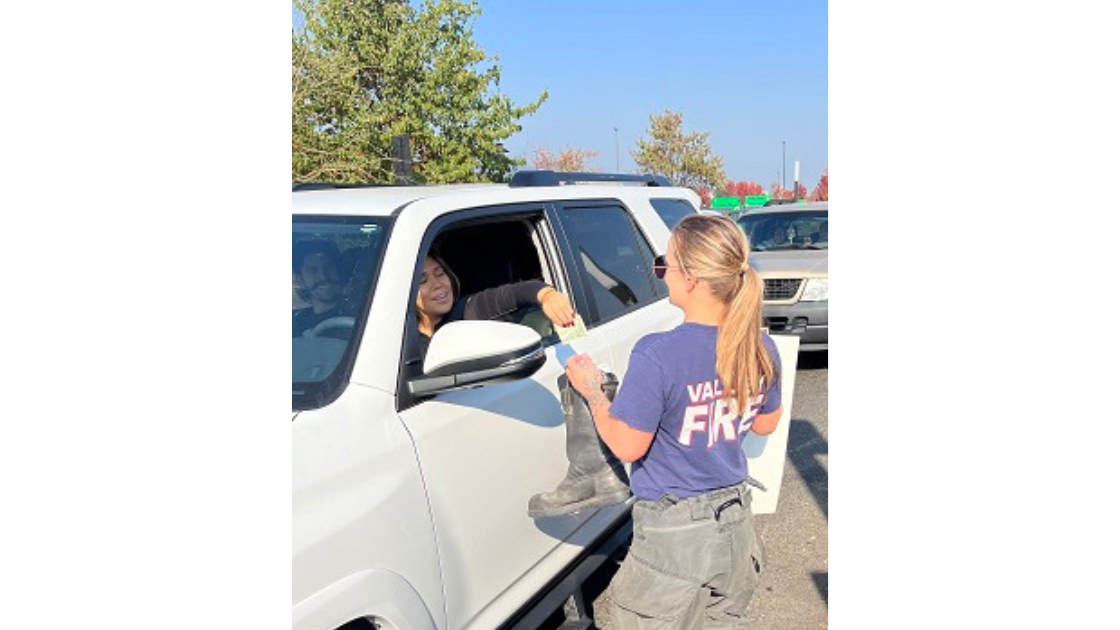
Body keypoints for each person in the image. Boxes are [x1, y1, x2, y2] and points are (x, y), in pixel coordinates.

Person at [565, 214, 783, 629]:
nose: (661, 275)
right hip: (736, 524)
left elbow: (628, 445)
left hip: (676, 534)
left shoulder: (658, 353)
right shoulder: (761, 346)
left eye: (664, 265)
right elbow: (765, 425)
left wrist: (593, 392)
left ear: (691, 279)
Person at [415, 252, 576, 358]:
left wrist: (548, 295)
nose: (437, 284)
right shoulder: (401, 337)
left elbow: (514, 293)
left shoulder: (467, 311)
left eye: (440, 273)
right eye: (423, 280)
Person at [291, 239, 347, 338]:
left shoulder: (362, 315)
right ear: (300, 279)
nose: (323, 277)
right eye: (313, 270)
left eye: (329, 267)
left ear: (339, 270)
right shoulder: (296, 323)